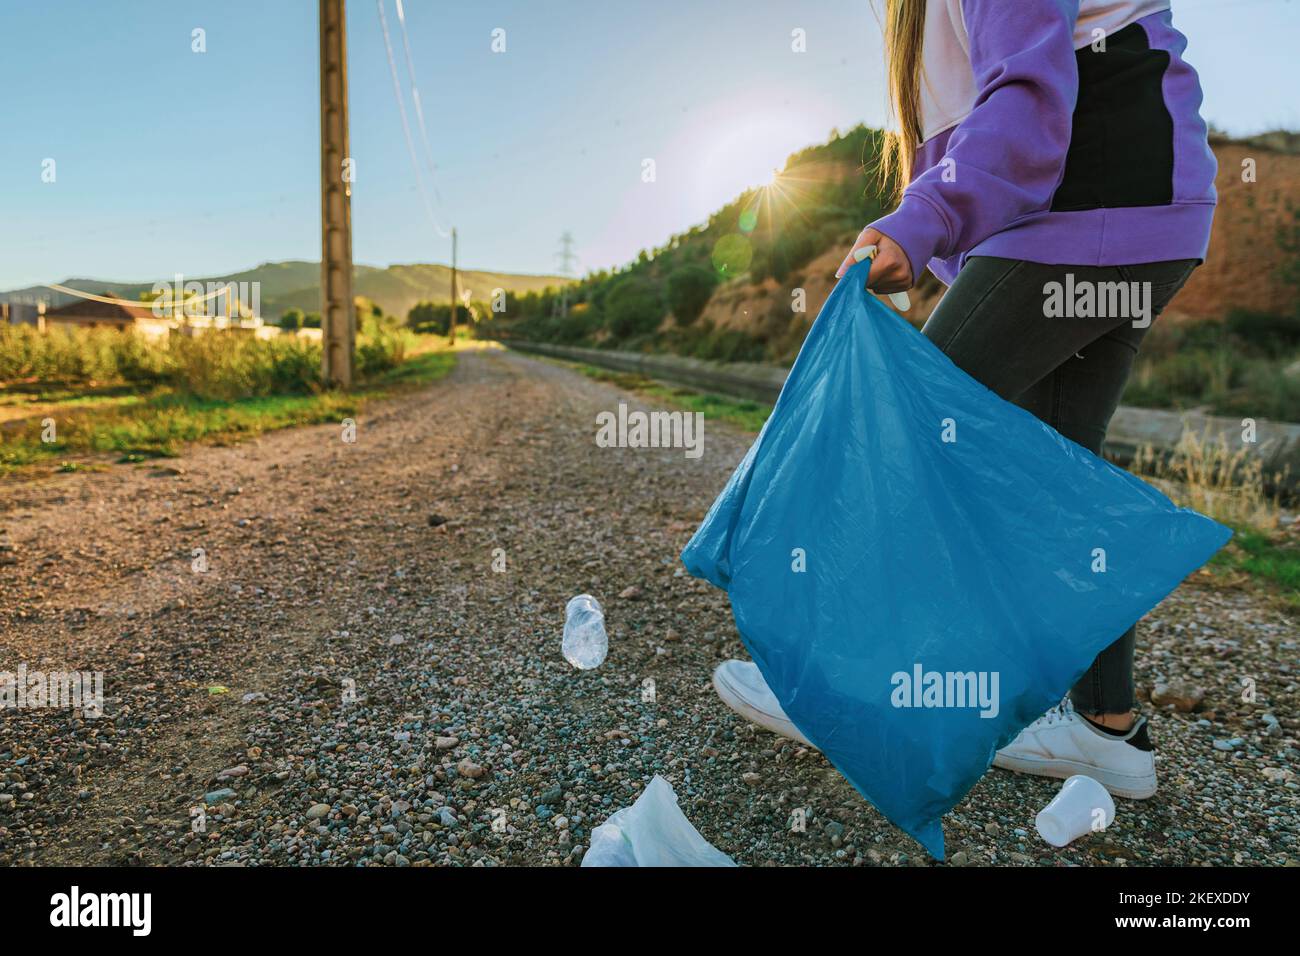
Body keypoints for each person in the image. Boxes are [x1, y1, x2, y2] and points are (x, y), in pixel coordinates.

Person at [713, 0, 1217, 801]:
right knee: (1063, 478)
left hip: (1086, 203)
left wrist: (927, 221)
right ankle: (1106, 728)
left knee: (905, 438)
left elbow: (1028, 96)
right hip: (1138, 205)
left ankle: (838, 691)